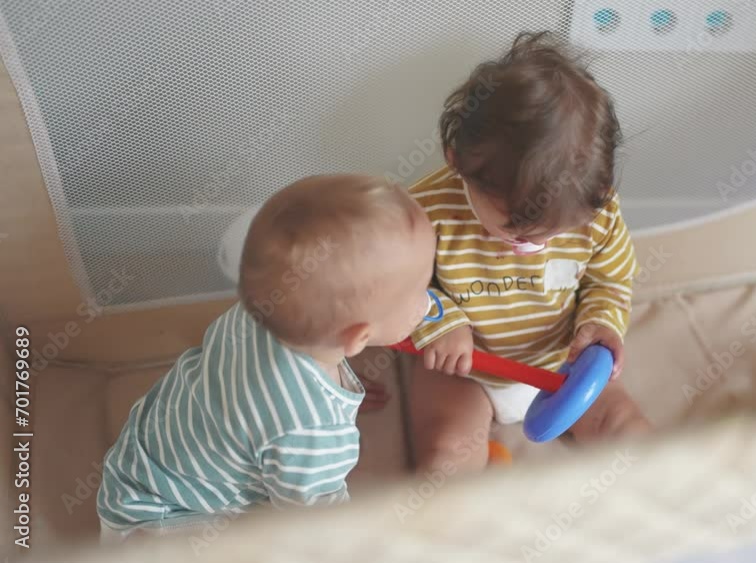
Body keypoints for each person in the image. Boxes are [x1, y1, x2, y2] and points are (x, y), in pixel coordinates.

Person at [97, 175, 437, 542]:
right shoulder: (313, 432)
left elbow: (274, 399)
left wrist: (337, 387)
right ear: (359, 337)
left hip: (140, 463)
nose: (430, 300)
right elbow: (317, 523)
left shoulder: (257, 314)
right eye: (420, 290)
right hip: (164, 528)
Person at [407, 31, 651, 474]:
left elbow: (610, 279)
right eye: (515, 231)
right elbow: (396, 287)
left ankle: (669, 502)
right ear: (457, 162)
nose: (533, 247)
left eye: (552, 232)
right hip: (467, 368)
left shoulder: (597, 210)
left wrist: (600, 324)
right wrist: (440, 319)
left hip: (560, 361)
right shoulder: (425, 211)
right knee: (445, 450)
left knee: (626, 429)